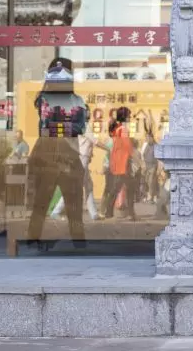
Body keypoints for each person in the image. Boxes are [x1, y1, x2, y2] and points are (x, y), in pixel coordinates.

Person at [26, 58, 88, 247]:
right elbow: (46, 128)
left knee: (74, 207)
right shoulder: (45, 99)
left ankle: (79, 244)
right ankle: (32, 240)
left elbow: (80, 128)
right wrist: (66, 127)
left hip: (68, 158)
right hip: (49, 158)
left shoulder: (77, 100)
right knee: (41, 204)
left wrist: (58, 127)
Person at [103, 107, 136, 221]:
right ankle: (130, 214)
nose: (130, 118)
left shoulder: (117, 129)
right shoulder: (123, 130)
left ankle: (109, 212)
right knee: (128, 188)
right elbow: (128, 147)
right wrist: (139, 161)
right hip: (124, 163)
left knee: (117, 188)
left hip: (119, 163)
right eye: (129, 116)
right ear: (125, 117)